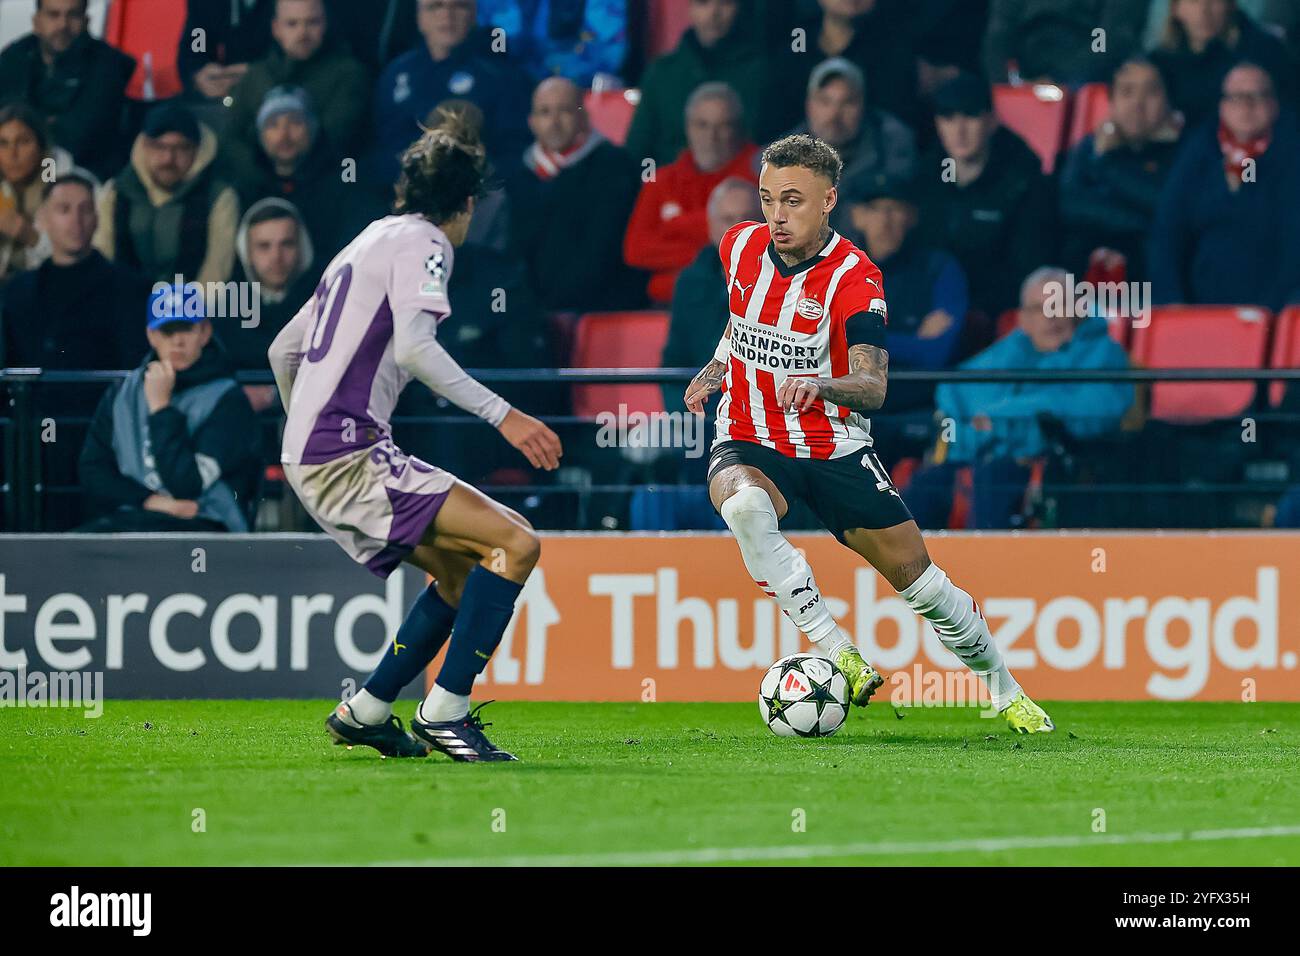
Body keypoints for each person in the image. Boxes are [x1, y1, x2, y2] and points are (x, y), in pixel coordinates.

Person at [683, 133, 1056, 734]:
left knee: (924, 586)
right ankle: (839, 651)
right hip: (748, 432)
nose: (776, 216)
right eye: (767, 199)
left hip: (833, 445)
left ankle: (1007, 692)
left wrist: (822, 386)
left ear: (829, 200)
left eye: (794, 201)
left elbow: (873, 385)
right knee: (747, 505)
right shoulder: (739, 246)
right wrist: (716, 368)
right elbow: (740, 326)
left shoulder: (855, 278)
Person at [268, 114, 563, 761]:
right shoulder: (429, 242)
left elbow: (281, 349)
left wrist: (303, 438)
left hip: (314, 455)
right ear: (466, 204)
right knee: (516, 542)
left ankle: (369, 709)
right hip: (346, 453)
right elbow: (415, 347)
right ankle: (445, 711)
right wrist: (504, 414)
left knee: (461, 576)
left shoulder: (366, 240)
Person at [906, 267, 1134, 529]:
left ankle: (991, 567)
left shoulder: (1103, 353)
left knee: (996, 475)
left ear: (1078, 311)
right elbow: (954, 395)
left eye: (1059, 306)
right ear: (1024, 318)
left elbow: (1097, 412)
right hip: (983, 459)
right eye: (1039, 309)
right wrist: (988, 431)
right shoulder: (1006, 352)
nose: (1050, 318)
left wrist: (1004, 420)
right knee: (928, 482)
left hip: (1055, 464)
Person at [77, 283, 260, 533]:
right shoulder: (123, 393)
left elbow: (186, 485)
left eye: (186, 328)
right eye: (167, 330)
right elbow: (93, 471)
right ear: (151, 336)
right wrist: (153, 502)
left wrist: (161, 408)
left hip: (206, 522)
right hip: (138, 515)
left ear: (205, 332)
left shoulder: (228, 399)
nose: (177, 341)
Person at [1149, 63, 1300, 311]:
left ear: (1274, 105)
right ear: (1223, 106)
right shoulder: (1197, 153)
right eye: (1237, 97)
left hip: (1270, 310)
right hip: (1195, 307)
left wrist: (1269, 313)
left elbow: (1294, 249)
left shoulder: (1293, 157)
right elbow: (1167, 231)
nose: (1247, 106)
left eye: (1258, 96)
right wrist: (1172, 300)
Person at [911, 73, 1055, 328]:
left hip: (995, 316)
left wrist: (964, 310)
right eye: (948, 118)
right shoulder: (924, 176)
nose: (959, 130)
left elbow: (1027, 268)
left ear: (991, 121)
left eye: (970, 116)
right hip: (927, 309)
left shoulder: (1024, 179)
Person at [507, 77, 644, 312]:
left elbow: (604, 251)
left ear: (584, 117)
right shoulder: (519, 175)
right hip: (532, 312)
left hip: (599, 305)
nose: (554, 122)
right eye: (545, 112)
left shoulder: (615, 167)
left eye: (565, 111)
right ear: (532, 122)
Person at [369, 0, 533, 186]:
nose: (447, 15)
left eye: (459, 6)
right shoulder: (395, 73)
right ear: (419, 17)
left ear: (473, 14)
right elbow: (381, 145)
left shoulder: (502, 78)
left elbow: (513, 152)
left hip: (475, 193)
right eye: (435, 6)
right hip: (399, 191)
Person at [623, 82, 759, 303]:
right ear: (687, 128)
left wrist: (676, 226)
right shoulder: (660, 180)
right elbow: (636, 251)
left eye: (723, 126)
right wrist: (709, 255)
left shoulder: (761, 177)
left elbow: (753, 250)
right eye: (702, 125)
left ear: (739, 129)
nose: (711, 136)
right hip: (666, 306)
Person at [2, 170, 146, 371]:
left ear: (96, 219)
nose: (76, 221)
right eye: (64, 210)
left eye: (85, 210)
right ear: (44, 219)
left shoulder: (129, 288)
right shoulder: (17, 292)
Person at [847, 176, 966, 416]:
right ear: (857, 217)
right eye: (875, 210)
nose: (884, 221)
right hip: (846, 407)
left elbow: (936, 353)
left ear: (911, 217)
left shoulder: (940, 269)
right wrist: (909, 342)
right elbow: (814, 345)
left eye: (894, 210)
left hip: (916, 406)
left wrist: (854, 340)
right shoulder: (836, 268)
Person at [1058, 56, 1183, 280]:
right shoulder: (1090, 147)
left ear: (1169, 101)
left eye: (1151, 93)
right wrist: (1140, 223)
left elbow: (1166, 208)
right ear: (1111, 101)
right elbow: (1069, 204)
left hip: (1153, 277)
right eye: (1127, 92)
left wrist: (1106, 163)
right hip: (1084, 274)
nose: (1138, 104)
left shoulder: (1185, 151)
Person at [94, 103, 240, 286]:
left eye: (181, 148)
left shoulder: (219, 197)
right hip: (125, 303)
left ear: (197, 149)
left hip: (192, 307)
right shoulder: (115, 192)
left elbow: (216, 270)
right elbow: (103, 257)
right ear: (144, 147)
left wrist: (193, 308)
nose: (168, 158)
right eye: (159, 147)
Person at [222, 0, 369, 179]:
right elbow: (231, 139)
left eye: (312, 22)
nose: (303, 33)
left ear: (325, 24)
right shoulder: (255, 76)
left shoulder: (349, 74)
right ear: (276, 29)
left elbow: (337, 141)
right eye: (292, 23)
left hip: (326, 185)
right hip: (259, 188)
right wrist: (259, 177)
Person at [783, 58, 916, 243]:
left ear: (863, 106)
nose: (834, 115)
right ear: (809, 105)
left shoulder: (892, 145)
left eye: (847, 103)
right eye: (825, 101)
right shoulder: (781, 155)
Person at [0, 0, 135, 180]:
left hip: (82, 175)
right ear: (37, 21)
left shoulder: (109, 66)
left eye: (73, 15)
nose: (63, 25)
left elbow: (81, 135)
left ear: (87, 21)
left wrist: (32, 132)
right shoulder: (13, 59)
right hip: (13, 171)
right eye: (54, 15)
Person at [624, 0, 766, 165]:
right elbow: (637, 151)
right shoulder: (661, 73)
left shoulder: (763, 73)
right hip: (672, 185)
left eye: (725, 3)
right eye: (703, 2)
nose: (714, 13)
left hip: (743, 182)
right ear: (690, 8)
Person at [219, 197, 317, 411]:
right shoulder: (226, 306)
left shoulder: (324, 300)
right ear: (247, 251)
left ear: (302, 247)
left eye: (287, 244)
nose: (276, 257)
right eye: (264, 246)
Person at [1148, 0, 1295, 130]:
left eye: (1214, 1)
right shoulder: (1160, 62)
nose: (1204, 11)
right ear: (1176, 9)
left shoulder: (1265, 51)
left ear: (1230, 5)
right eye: (1193, 1)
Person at [982, 0, 1149, 85]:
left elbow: (1107, 38)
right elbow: (999, 34)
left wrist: (1060, 80)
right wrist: (1009, 82)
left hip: (1086, 70)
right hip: (1025, 72)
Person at [475, 0, 627, 86]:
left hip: (575, 92)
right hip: (506, 90)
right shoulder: (491, 5)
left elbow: (609, 54)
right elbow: (489, 44)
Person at [0, 103, 70, 285]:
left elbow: (75, 261)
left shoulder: (68, 188)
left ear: (41, 146)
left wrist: (29, 235)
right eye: (3, 143)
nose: (12, 154)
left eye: (23, 142)